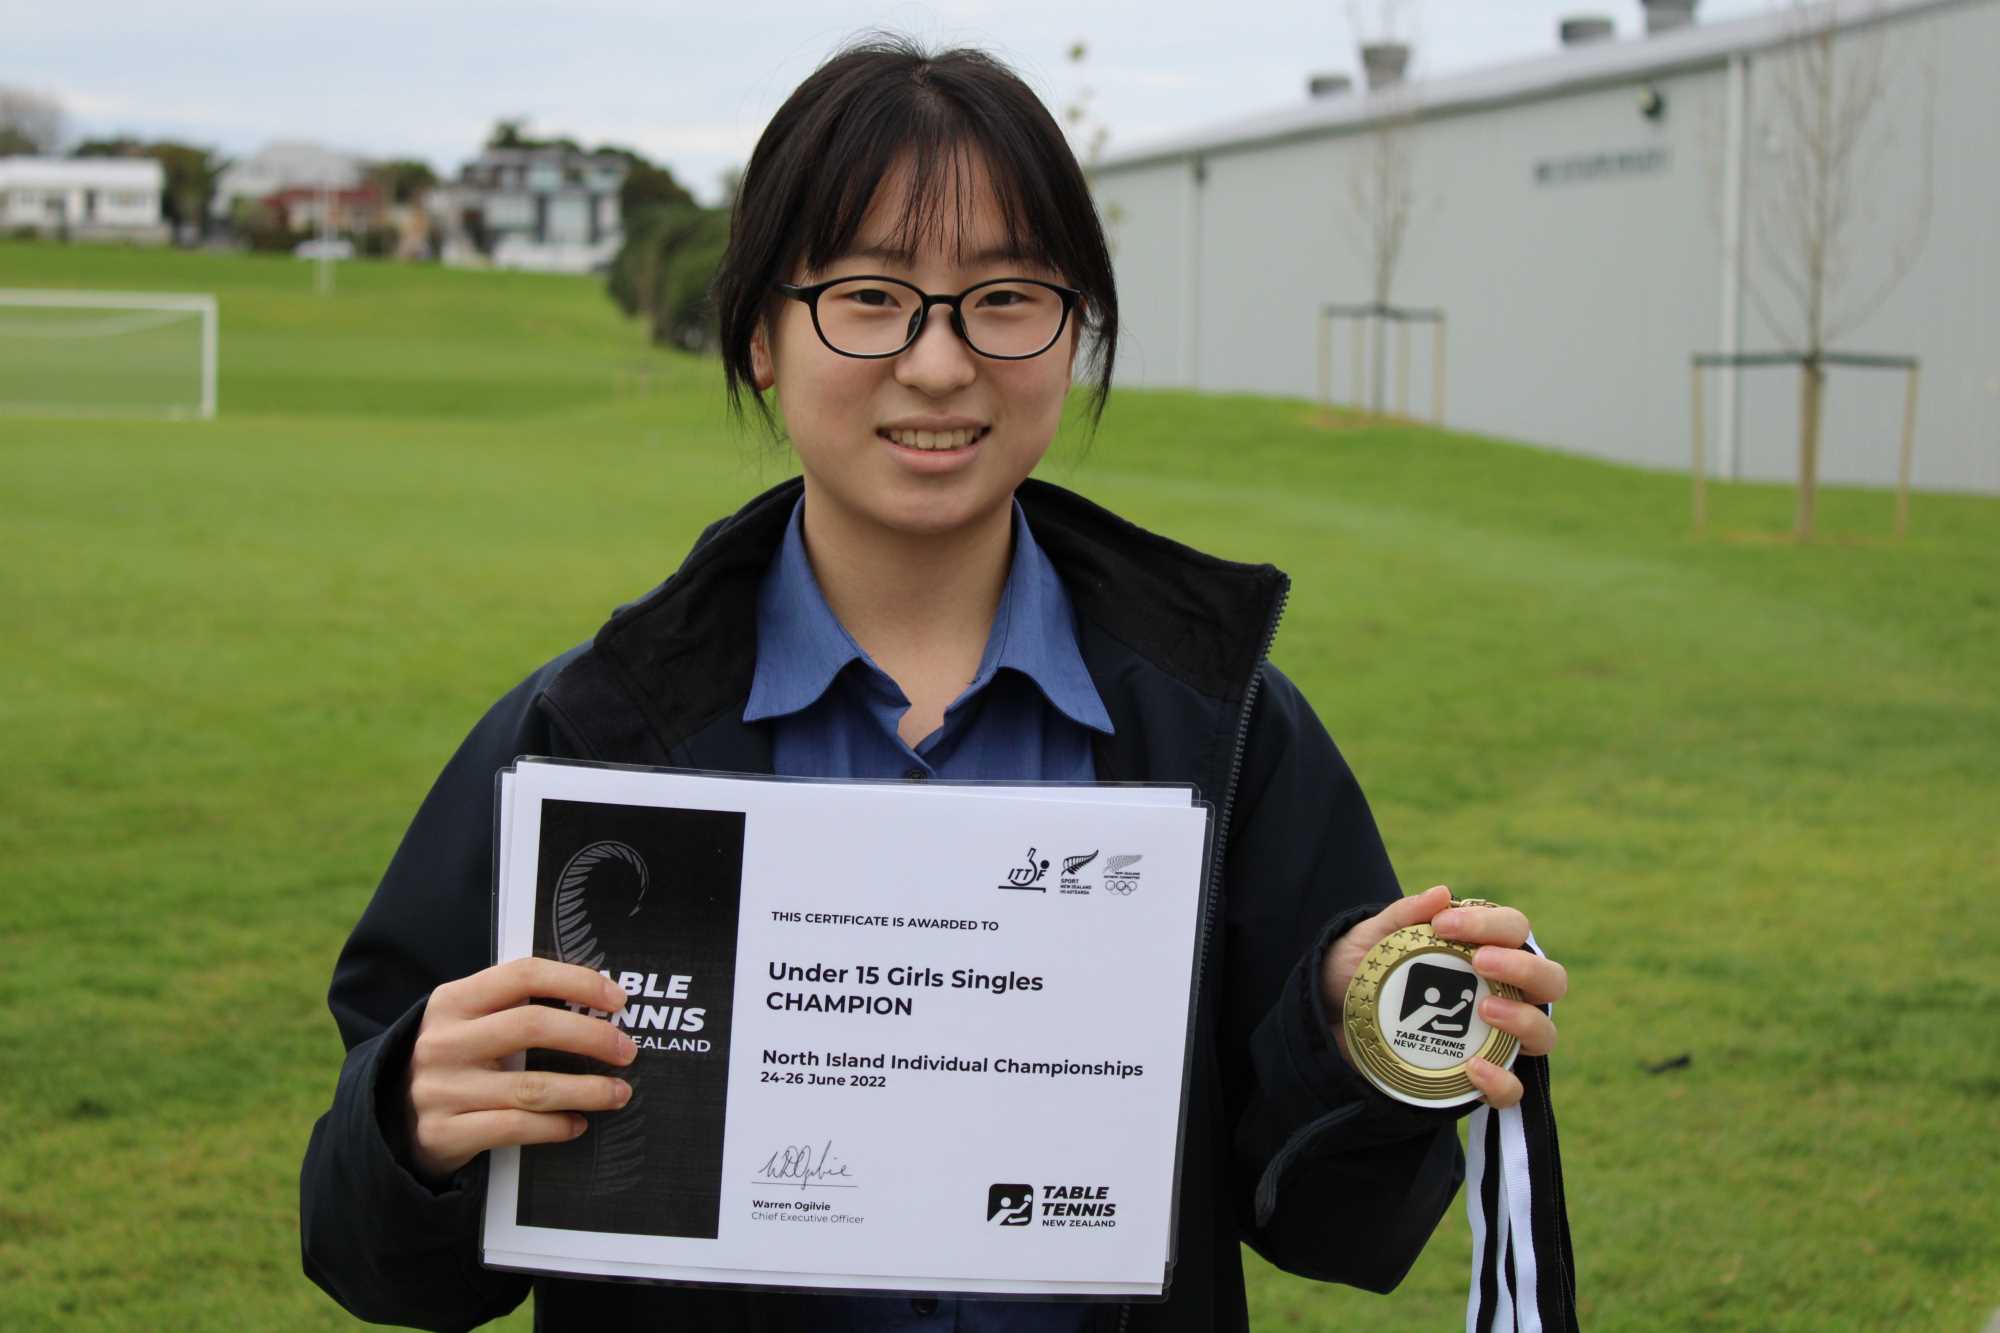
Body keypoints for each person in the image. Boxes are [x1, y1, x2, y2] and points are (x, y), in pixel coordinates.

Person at [299, 34, 1568, 1333]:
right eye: (869, 294)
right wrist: (412, 1119)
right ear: (758, 342)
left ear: (1075, 332)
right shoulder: (592, 735)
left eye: (1007, 296)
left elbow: (1333, 1222)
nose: (941, 361)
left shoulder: (1217, 726)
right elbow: (373, 1248)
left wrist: (1349, 1025)